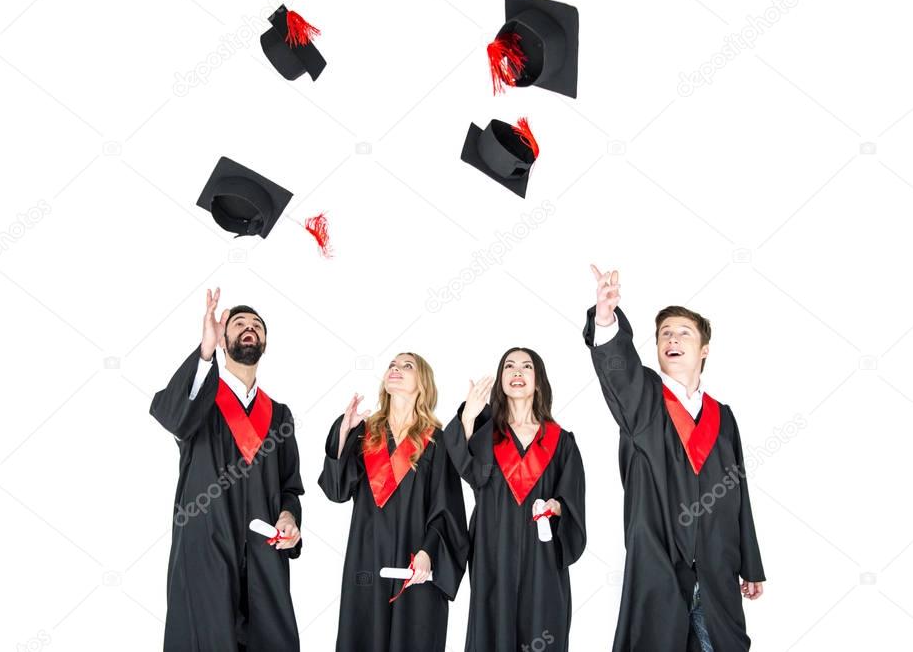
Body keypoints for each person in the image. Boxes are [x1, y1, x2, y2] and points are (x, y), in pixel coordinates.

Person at [584, 267, 766, 651]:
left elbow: (740, 493)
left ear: (704, 350)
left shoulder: (724, 416)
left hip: (719, 571)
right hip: (660, 566)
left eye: (684, 332)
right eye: (665, 333)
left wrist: (751, 564)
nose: (672, 338)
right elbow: (619, 371)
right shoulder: (644, 399)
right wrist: (605, 318)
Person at [150, 288, 304, 651]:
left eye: (256, 325)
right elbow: (173, 418)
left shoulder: (279, 414)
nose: (249, 327)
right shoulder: (202, 399)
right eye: (238, 323)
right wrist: (204, 352)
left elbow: (290, 487)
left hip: (264, 554)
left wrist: (288, 518)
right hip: (207, 549)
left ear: (265, 342)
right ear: (224, 339)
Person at [318, 353, 469, 652]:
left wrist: (428, 553)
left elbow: (447, 509)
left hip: (414, 568)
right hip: (366, 565)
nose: (396, 369)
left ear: (422, 384)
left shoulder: (437, 441)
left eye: (407, 366)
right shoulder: (366, 434)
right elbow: (336, 491)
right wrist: (344, 431)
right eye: (392, 365)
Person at [444, 347, 586, 652]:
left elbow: (572, 501)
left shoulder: (561, 441)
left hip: (542, 557)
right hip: (493, 553)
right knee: (492, 630)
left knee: (543, 626)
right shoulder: (486, 435)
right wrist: (468, 418)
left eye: (526, 366)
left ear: (538, 381)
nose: (517, 372)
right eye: (509, 366)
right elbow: (469, 474)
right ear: (500, 380)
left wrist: (556, 506)